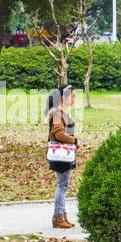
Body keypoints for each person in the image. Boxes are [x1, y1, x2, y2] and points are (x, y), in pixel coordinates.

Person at [46, 85, 78, 230]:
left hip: (64, 154)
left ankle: (61, 215)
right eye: (73, 96)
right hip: (62, 155)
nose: (74, 99)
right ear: (64, 97)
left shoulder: (61, 113)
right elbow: (58, 133)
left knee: (63, 186)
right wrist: (74, 140)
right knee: (62, 186)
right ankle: (58, 216)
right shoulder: (58, 114)